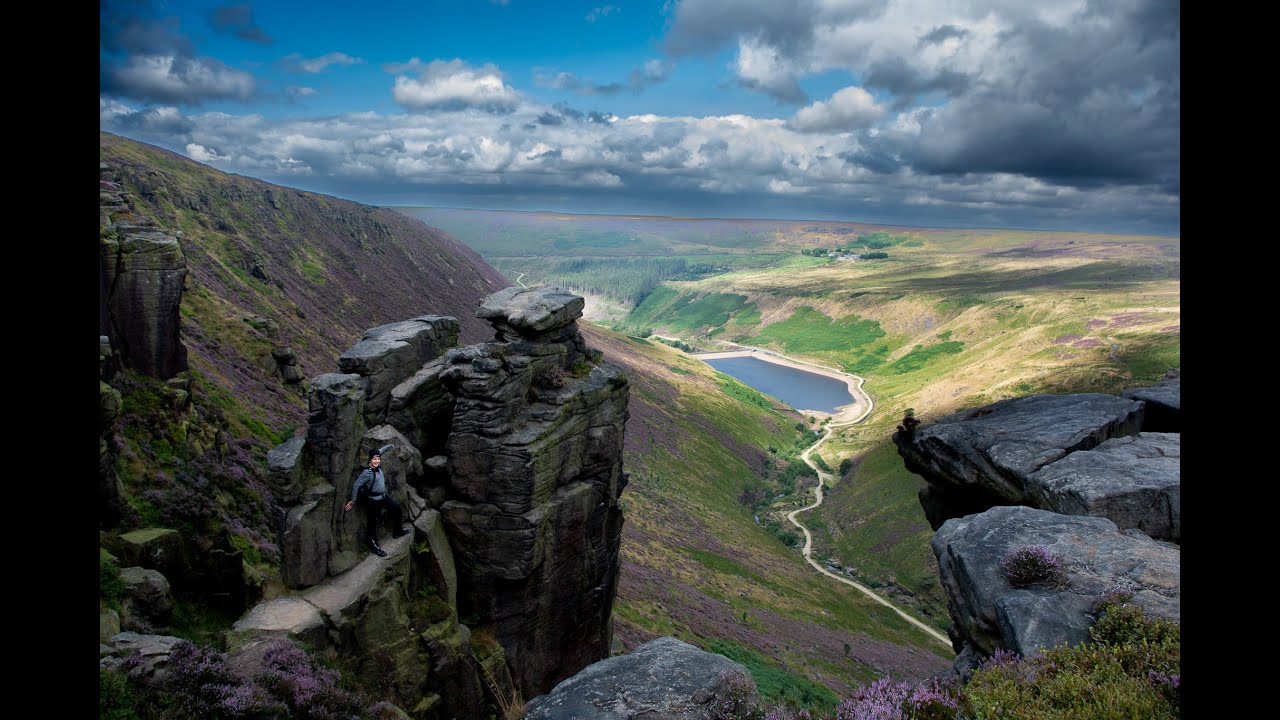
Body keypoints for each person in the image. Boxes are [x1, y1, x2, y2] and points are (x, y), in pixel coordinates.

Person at [344, 444, 409, 557]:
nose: (377, 460)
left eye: (378, 459)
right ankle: (374, 546)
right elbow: (356, 485)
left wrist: (390, 446)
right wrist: (353, 501)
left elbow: (379, 451)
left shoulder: (377, 466)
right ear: (370, 460)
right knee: (372, 523)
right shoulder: (367, 473)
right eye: (374, 459)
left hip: (383, 497)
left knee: (396, 509)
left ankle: (397, 532)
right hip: (373, 501)